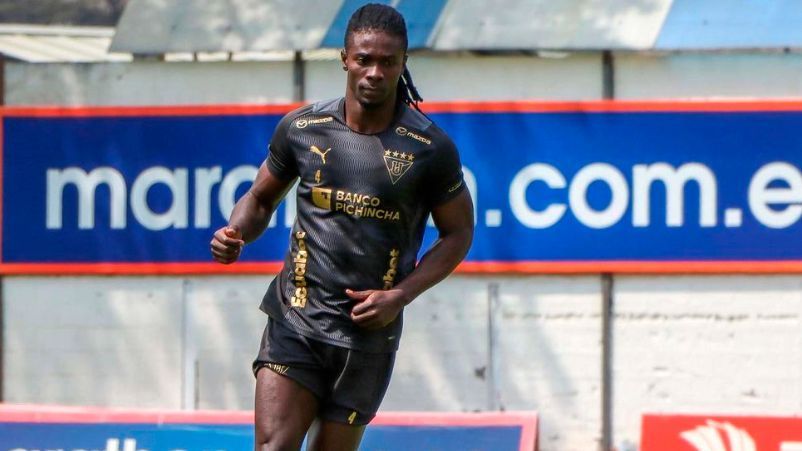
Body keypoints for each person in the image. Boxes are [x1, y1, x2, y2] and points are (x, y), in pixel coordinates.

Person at [210, 4, 474, 450]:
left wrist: (401, 295)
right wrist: (236, 233)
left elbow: (459, 234)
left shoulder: (430, 148)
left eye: (387, 61)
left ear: (402, 63)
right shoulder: (303, 128)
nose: (374, 71)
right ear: (345, 59)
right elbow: (258, 199)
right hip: (295, 318)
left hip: (367, 337)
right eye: (364, 59)